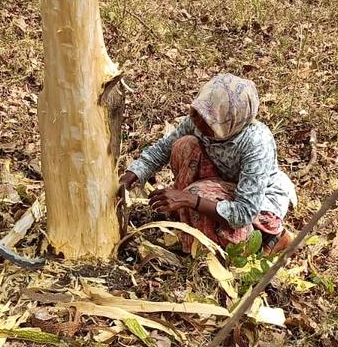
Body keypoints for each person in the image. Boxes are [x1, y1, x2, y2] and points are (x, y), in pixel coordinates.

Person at [120, 73, 296, 256]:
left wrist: (189, 199)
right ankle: (188, 220)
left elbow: (244, 212)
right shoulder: (198, 121)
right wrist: (133, 174)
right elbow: (163, 149)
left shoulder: (256, 143)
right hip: (220, 182)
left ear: (231, 121)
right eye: (196, 115)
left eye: (209, 122)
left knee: (196, 194)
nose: (198, 124)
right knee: (184, 145)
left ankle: (263, 241)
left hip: (255, 202)